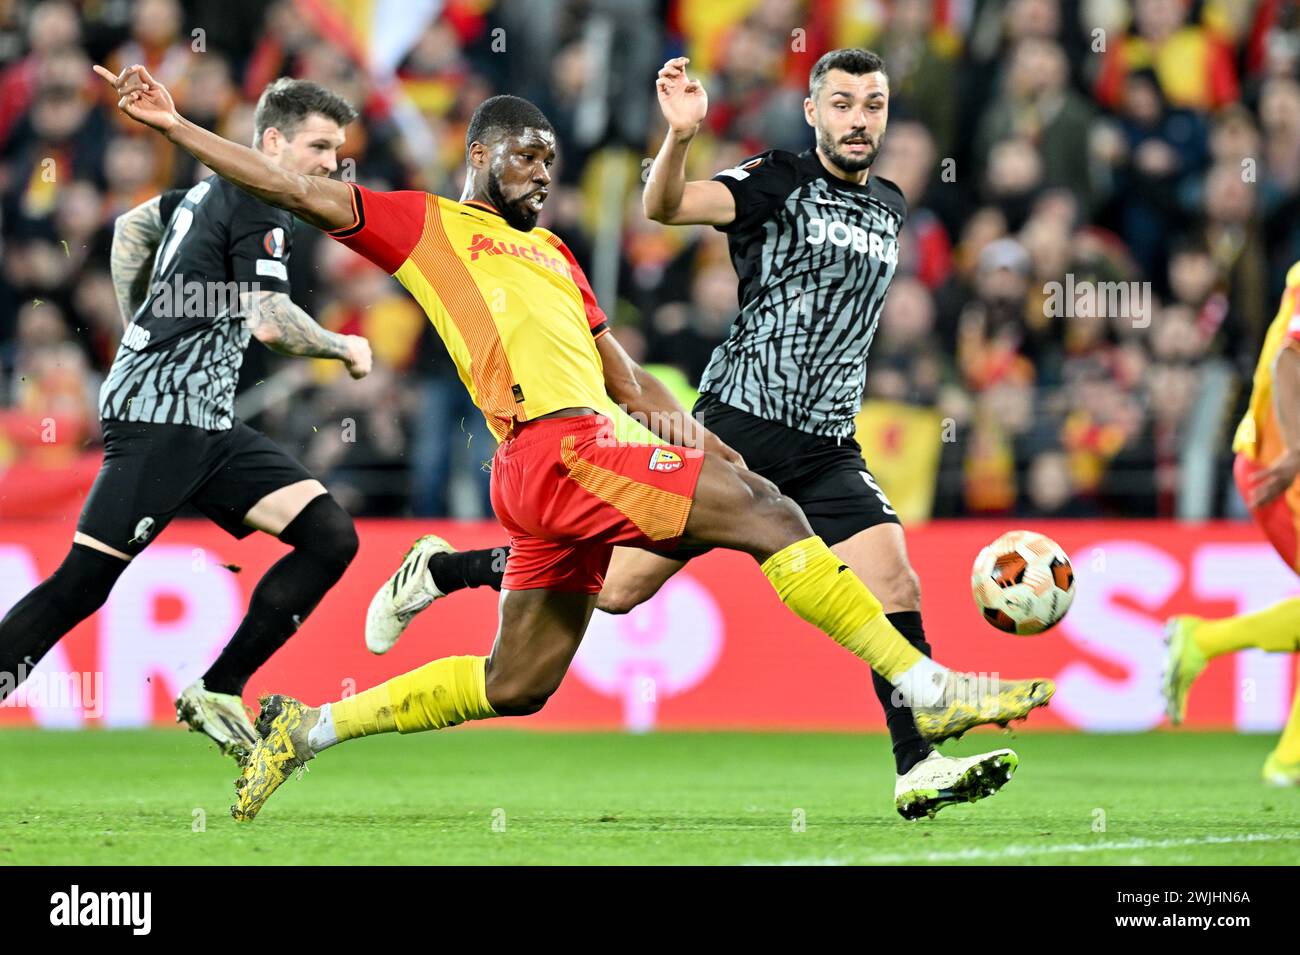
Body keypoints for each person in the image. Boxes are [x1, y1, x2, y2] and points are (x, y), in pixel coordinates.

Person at [95, 61, 1054, 823]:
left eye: (551, 161)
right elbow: (294, 186)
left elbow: (624, 378)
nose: (544, 175)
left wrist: (712, 452)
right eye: (526, 158)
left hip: (569, 459)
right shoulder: (427, 225)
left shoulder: (553, 254)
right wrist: (178, 129)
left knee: (519, 683)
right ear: (479, 157)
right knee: (773, 519)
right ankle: (923, 684)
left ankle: (306, 729)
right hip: (557, 448)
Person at [370, 50, 1019, 819]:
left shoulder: (890, 203)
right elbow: (666, 206)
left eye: (872, 105)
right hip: (740, 423)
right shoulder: (776, 178)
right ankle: (448, 571)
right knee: (614, 590)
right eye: (841, 103)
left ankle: (919, 764)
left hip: (828, 442)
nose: (858, 119)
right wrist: (679, 136)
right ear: (813, 112)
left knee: (897, 582)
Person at [0, 78, 372, 762]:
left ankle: (219, 687)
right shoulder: (261, 199)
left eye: (336, 150)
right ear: (271, 143)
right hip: (160, 422)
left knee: (329, 535)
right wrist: (343, 345)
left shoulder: (206, 190)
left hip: (202, 422)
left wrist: (138, 322)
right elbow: (269, 321)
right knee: (79, 586)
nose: (330, 163)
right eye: (318, 147)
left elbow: (130, 229)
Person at [1164, 260, 1300, 786]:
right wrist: (1293, 451)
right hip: (1280, 469)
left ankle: (1201, 642)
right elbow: (1288, 360)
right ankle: (1289, 760)